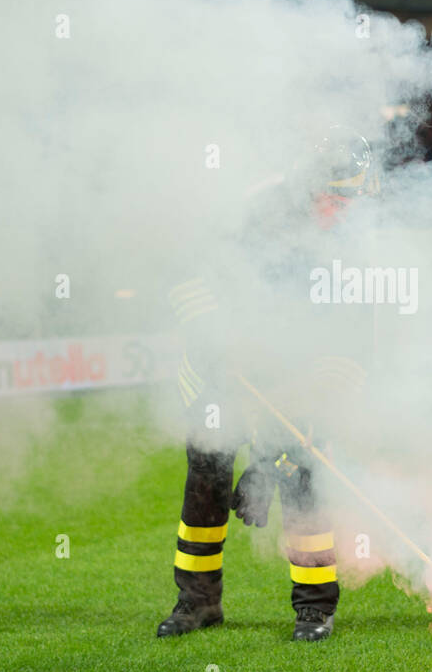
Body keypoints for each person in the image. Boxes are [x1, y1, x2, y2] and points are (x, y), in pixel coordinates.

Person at [156, 129, 375, 644]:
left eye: (348, 200)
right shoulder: (252, 213)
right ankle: (197, 602)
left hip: (296, 376)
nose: (339, 210)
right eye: (332, 197)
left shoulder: (353, 248)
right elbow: (185, 272)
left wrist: (269, 460)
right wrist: (208, 333)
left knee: (299, 474)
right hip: (218, 370)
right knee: (206, 481)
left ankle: (315, 607)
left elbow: (351, 344)